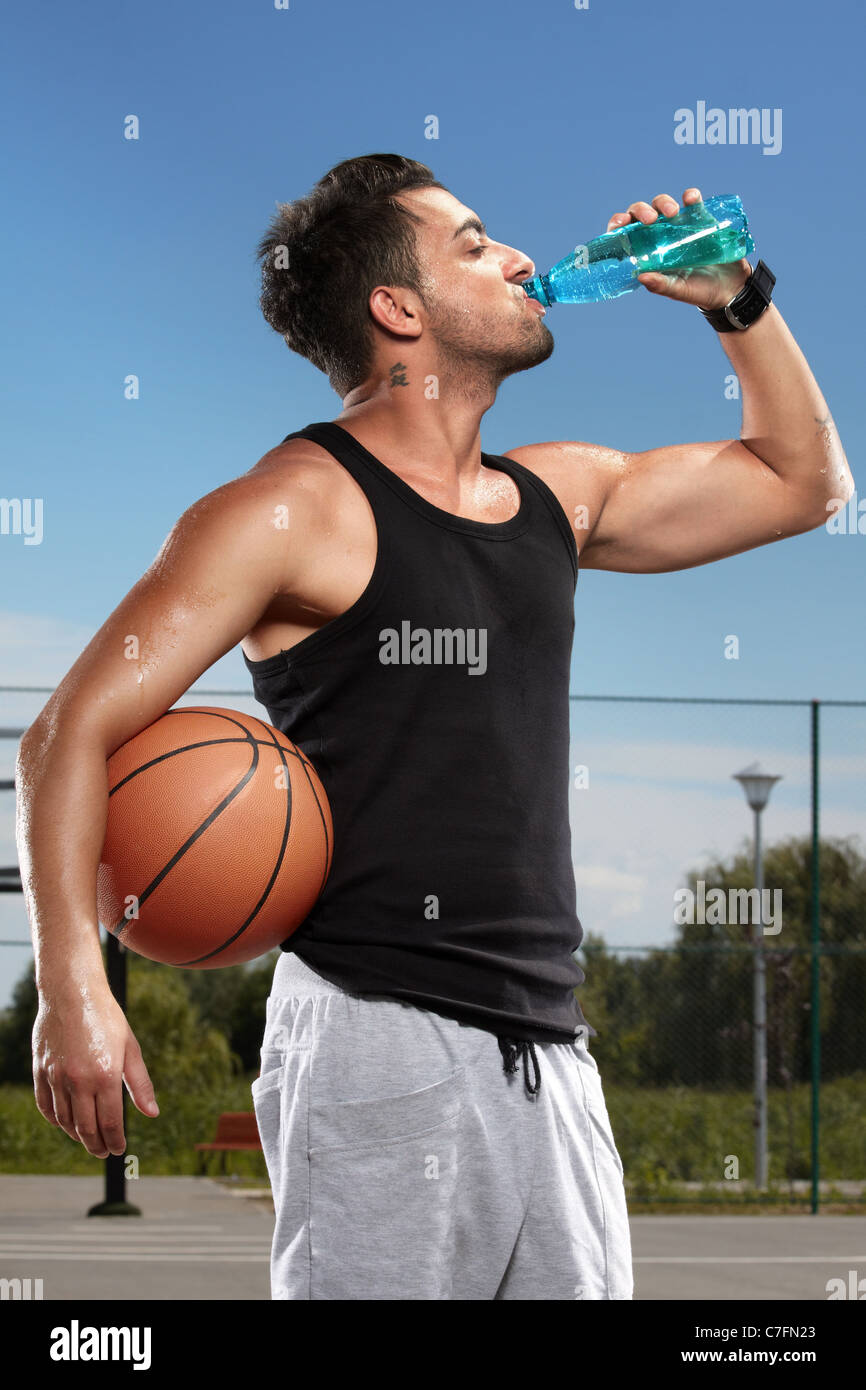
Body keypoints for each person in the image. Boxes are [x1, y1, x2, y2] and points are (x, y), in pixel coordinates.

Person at [16, 154, 852, 1301]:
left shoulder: (554, 494)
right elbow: (67, 731)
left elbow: (804, 484)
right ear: (396, 310)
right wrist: (73, 983)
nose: (516, 258)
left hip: (551, 1051)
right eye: (470, 242)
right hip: (377, 1038)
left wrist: (738, 302)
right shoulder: (288, 506)